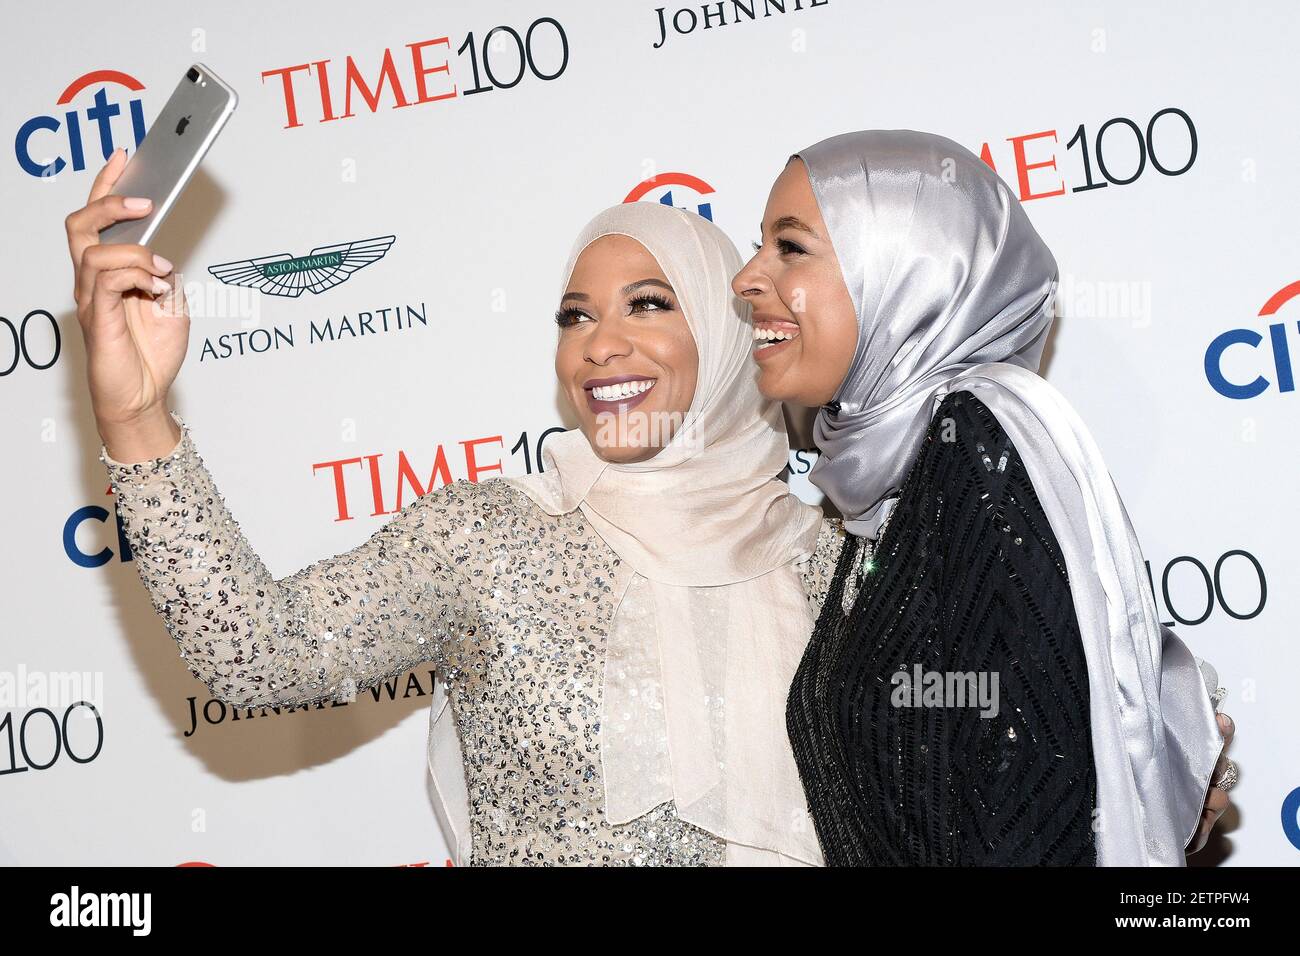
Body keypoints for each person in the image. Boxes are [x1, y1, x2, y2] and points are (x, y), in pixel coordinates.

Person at [66, 153, 844, 866]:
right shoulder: (489, 537)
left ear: (725, 329)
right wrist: (136, 419)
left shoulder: (832, 562)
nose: (599, 346)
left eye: (647, 305)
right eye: (574, 317)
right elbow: (264, 653)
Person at [733, 128, 1237, 865]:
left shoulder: (975, 440)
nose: (747, 277)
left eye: (791, 247)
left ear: (915, 272)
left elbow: (1033, 801)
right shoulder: (892, 493)